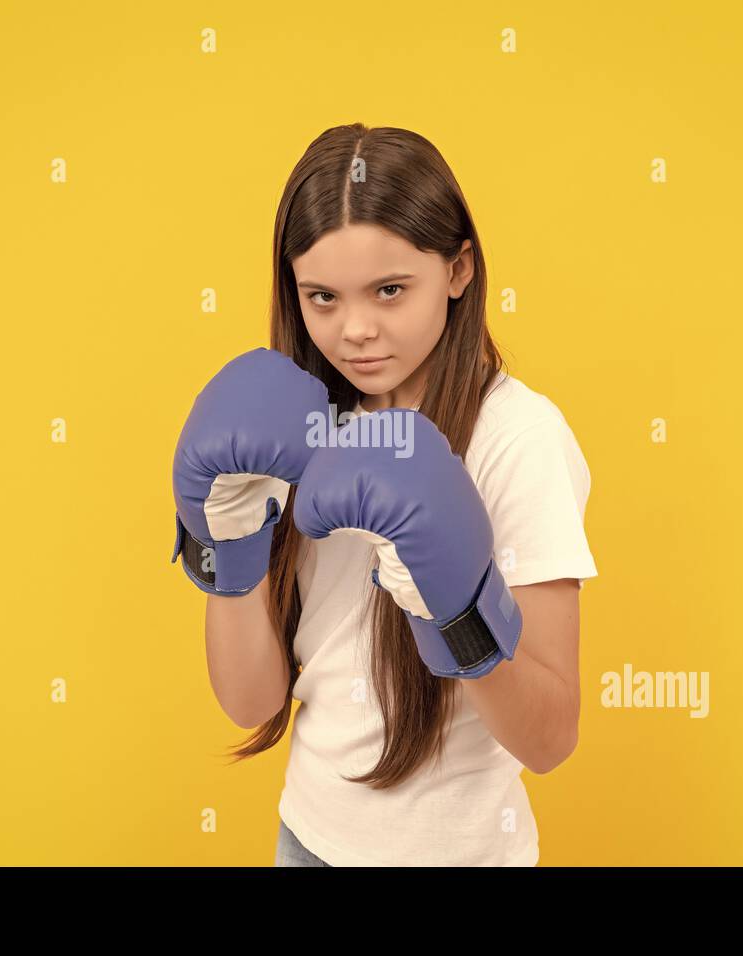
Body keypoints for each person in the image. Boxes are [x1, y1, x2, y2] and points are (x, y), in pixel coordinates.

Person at [171, 124, 598, 866]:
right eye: (322, 297)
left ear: (459, 268)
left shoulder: (517, 438)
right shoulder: (289, 429)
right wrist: (227, 538)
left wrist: (456, 608)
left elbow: (550, 738)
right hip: (305, 841)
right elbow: (252, 704)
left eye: (390, 290)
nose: (357, 330)